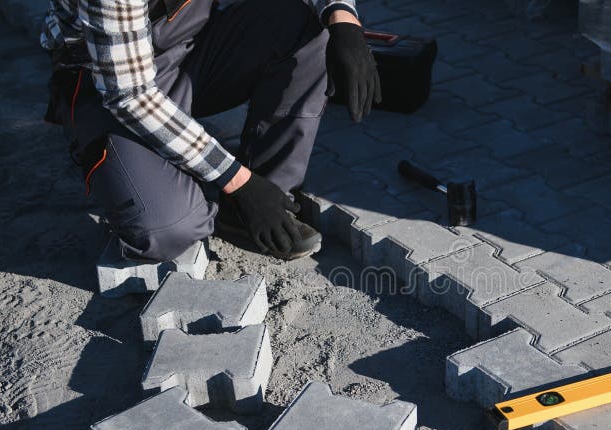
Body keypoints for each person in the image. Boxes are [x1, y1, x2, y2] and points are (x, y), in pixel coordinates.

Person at [41, 0, 380, 261]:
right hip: (109, 82)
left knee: (310, 24)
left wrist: (343, 19)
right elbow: (131, 96)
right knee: (168, 229)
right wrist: (237, 180)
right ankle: (244, 195)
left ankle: (264, 207)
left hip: (190, 49)